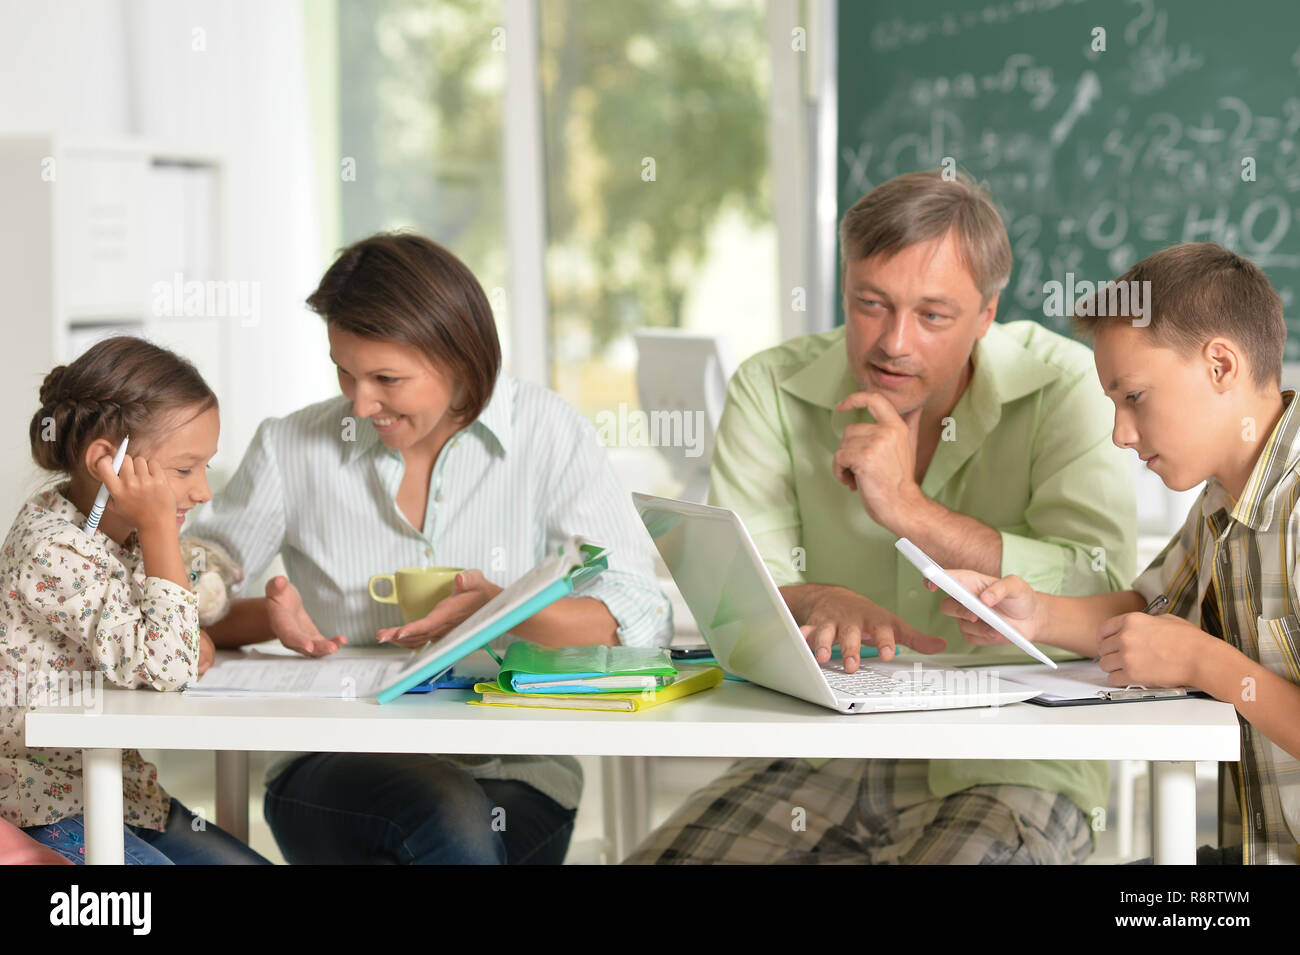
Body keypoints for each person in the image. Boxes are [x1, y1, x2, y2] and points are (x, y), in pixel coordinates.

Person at [625, 170, 1136, 864]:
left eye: (933, 316)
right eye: (871, 303)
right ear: (845, 288)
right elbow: (739, 593)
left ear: (986, 315)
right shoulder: (770, 388)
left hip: (1013, 757)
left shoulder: (1068, 386)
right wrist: (815, 598)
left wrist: (908, 509)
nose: (894, 342)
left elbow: (1104, 585)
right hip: (819, 751)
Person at [189, 231, 672, 864]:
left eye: (387, 378)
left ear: (461, 359)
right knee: (444, 814)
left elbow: (640, 615)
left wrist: (500, 610)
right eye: (345, 371)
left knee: (455, 818)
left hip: (515, 773)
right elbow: (192, 585)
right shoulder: (291, 445)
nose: (361, 403)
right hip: (335, 763)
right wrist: (249, 610)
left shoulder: (548, 434)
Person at [934, 242, 1298, 865]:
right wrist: (1036, 617)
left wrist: (1205, 663)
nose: (1120, 434)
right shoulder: (1220, 500)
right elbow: (1148, 608)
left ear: (1219, 366)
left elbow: (1185, 650)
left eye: (1133, 396)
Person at [1, 336, 268, 864]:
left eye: (205, 467)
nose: (203, 491)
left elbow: (173, 630)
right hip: (46, 803)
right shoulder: (52, 549)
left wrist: (189, 627)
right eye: (185, 469)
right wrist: (156, 526)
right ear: (107, 462)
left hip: (125, 794)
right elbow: (170, 664)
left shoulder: (115, 535)